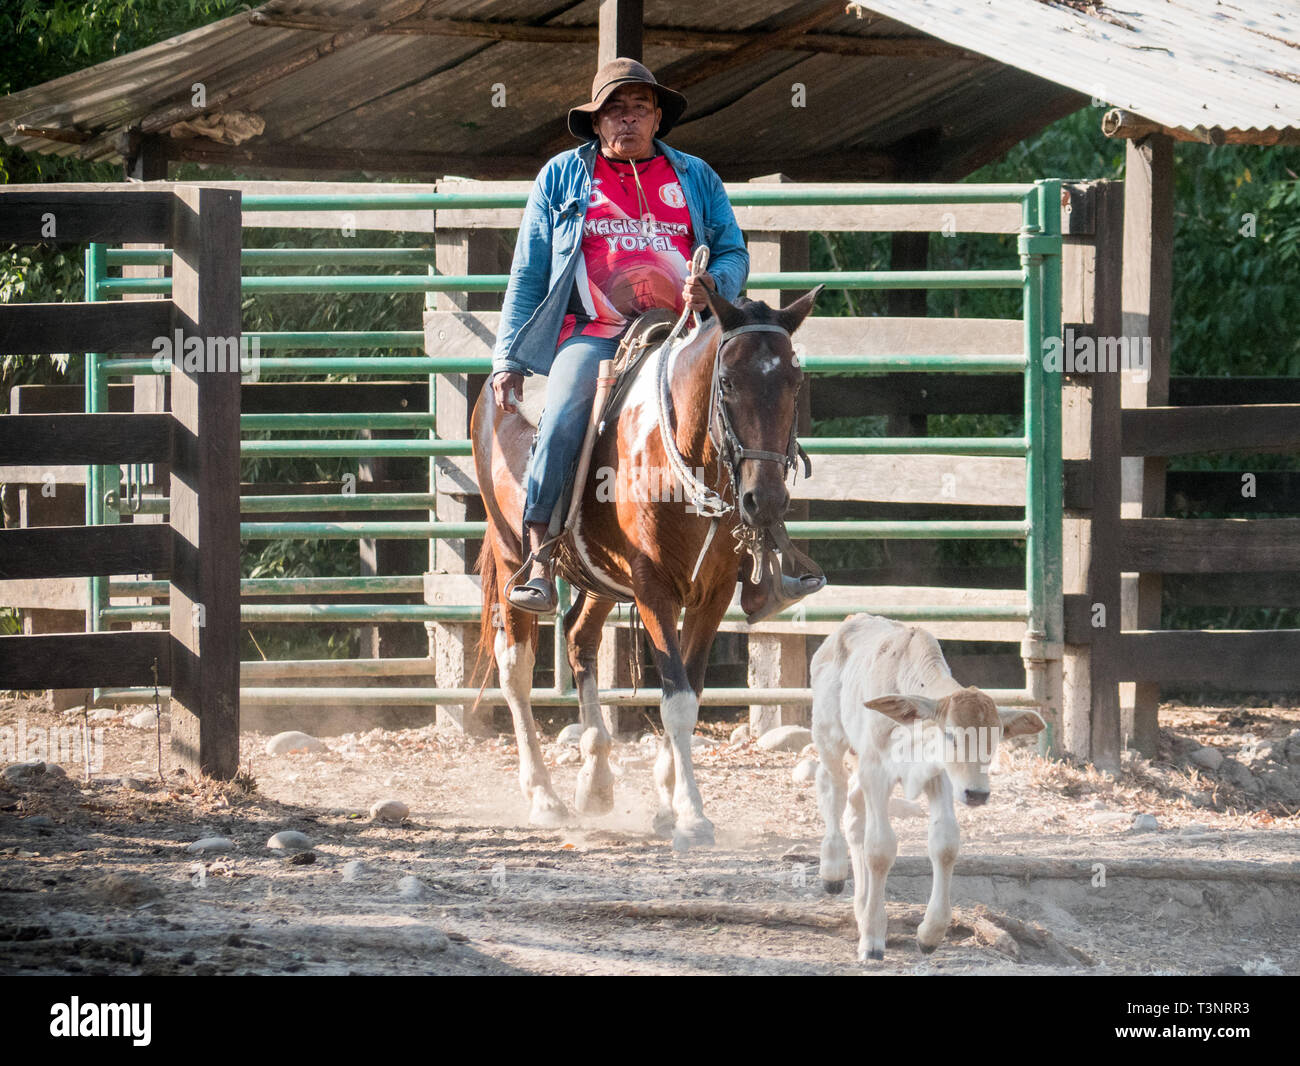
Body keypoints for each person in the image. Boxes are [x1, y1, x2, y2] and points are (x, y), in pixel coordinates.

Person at [490, 58, 749, 613]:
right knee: (561, 416)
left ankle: (766, 555)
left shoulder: (697, 176)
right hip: (596, 334)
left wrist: (714, 284)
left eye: (639, 108)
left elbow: (732, 249)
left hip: (685, 331)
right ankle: (539, 556)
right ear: (597, 122)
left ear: (657, 117)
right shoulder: (561, 177)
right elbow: (529, 271)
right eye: (614, 110)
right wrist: (507, 358)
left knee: (756, 396)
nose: (627, 119)